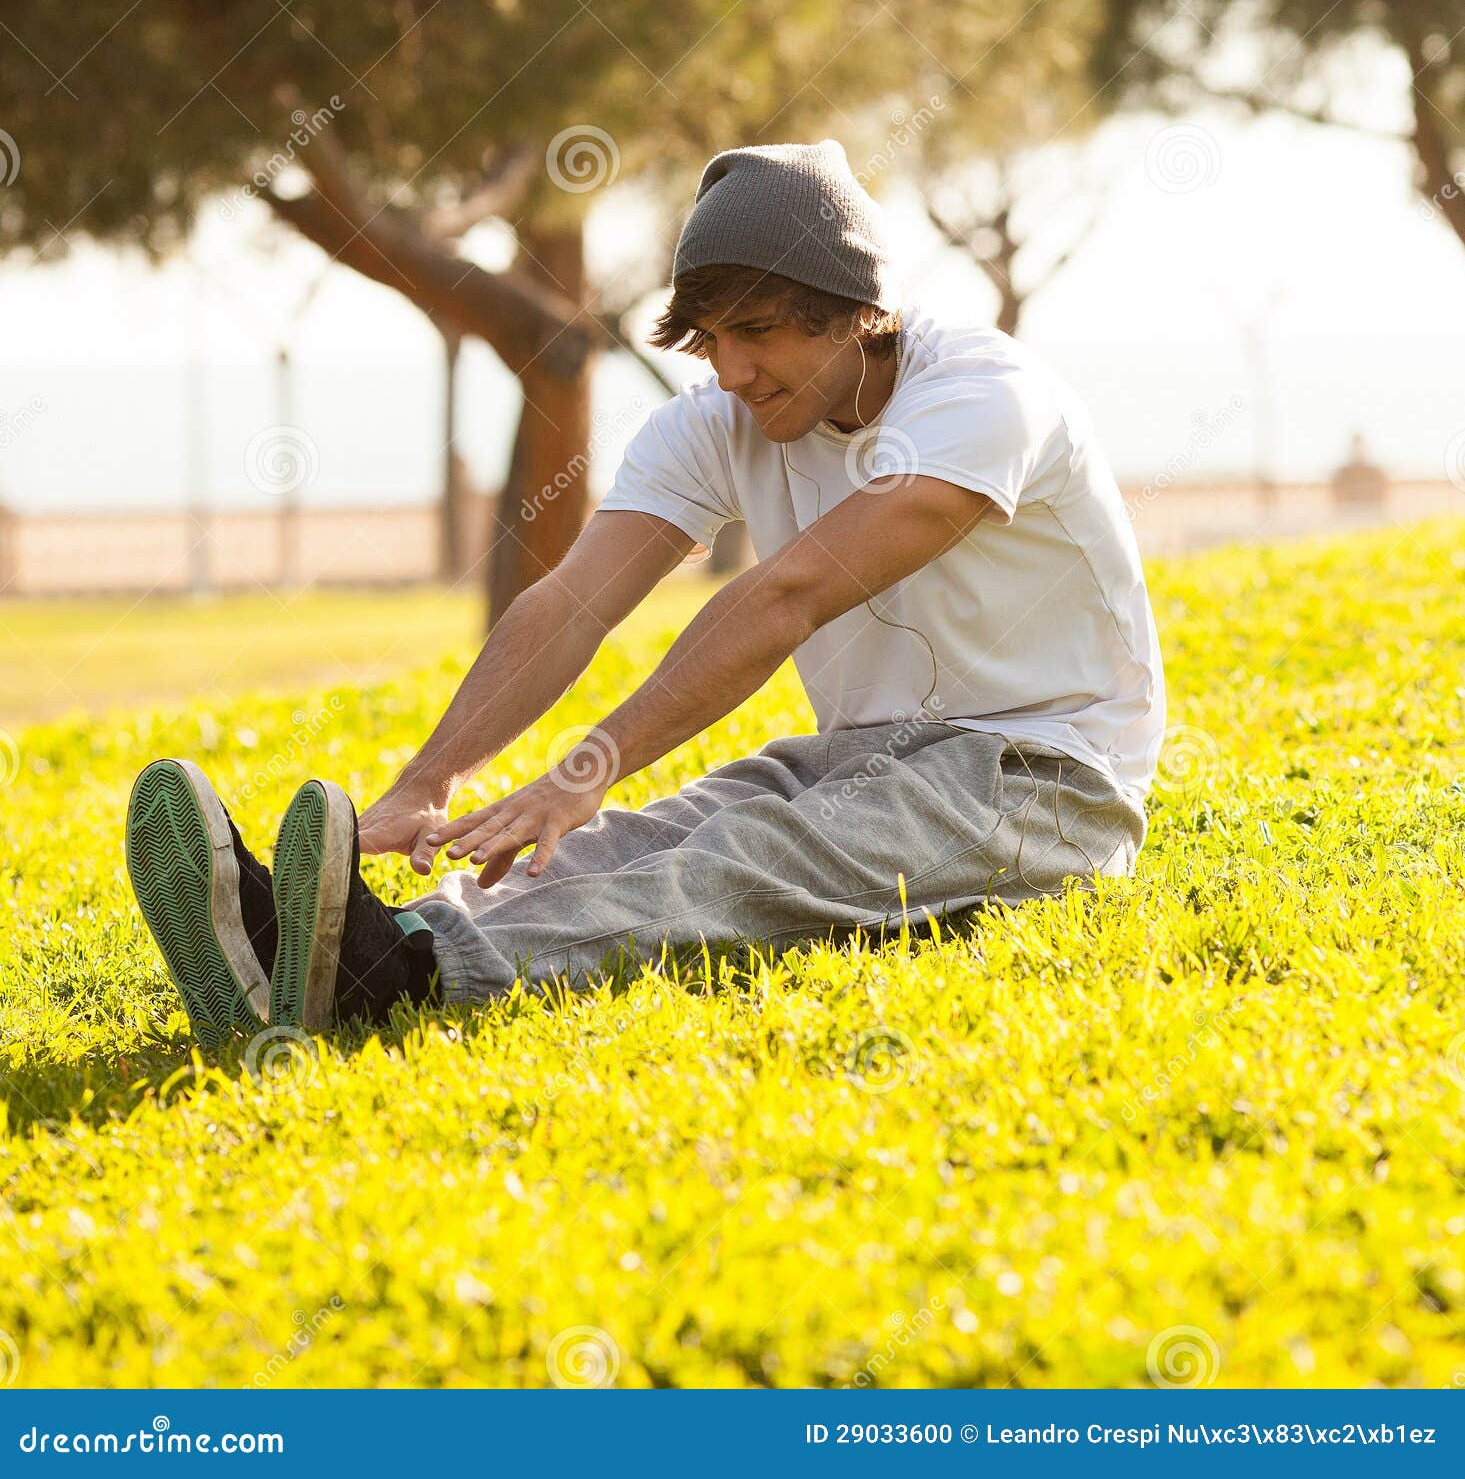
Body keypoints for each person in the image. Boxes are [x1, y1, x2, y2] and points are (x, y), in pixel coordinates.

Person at [125, 139, 1166, 1045]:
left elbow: (790, 595)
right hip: (863, 754)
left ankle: (393, 972)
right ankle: (303, 946)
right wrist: (431, 777)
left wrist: (588, 764)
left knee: (752, 861)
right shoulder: (721, 418)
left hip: (1045, 783)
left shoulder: (983, 400)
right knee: (639, 836)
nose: (731, 371)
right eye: (710, 339)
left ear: (858, 312)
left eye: (759, 331)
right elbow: (574, 601)